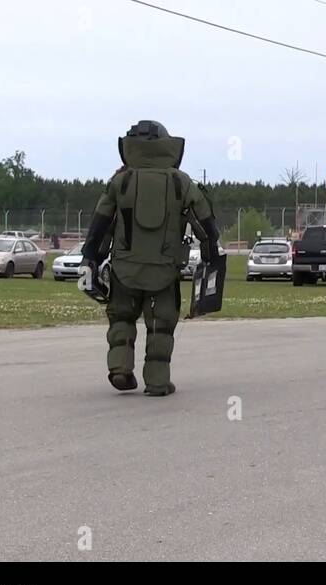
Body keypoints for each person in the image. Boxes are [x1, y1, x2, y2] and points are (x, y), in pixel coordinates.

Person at [81, 120, 222, 396]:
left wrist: (91, 258)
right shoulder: (181, 183)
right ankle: (157, 381)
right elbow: (206, 227)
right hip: (165, 269)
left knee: (121, 317)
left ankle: (120, 368)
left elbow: (100, 224)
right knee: (161, 325)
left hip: (124, 268)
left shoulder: (120, 181)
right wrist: (210, 260)